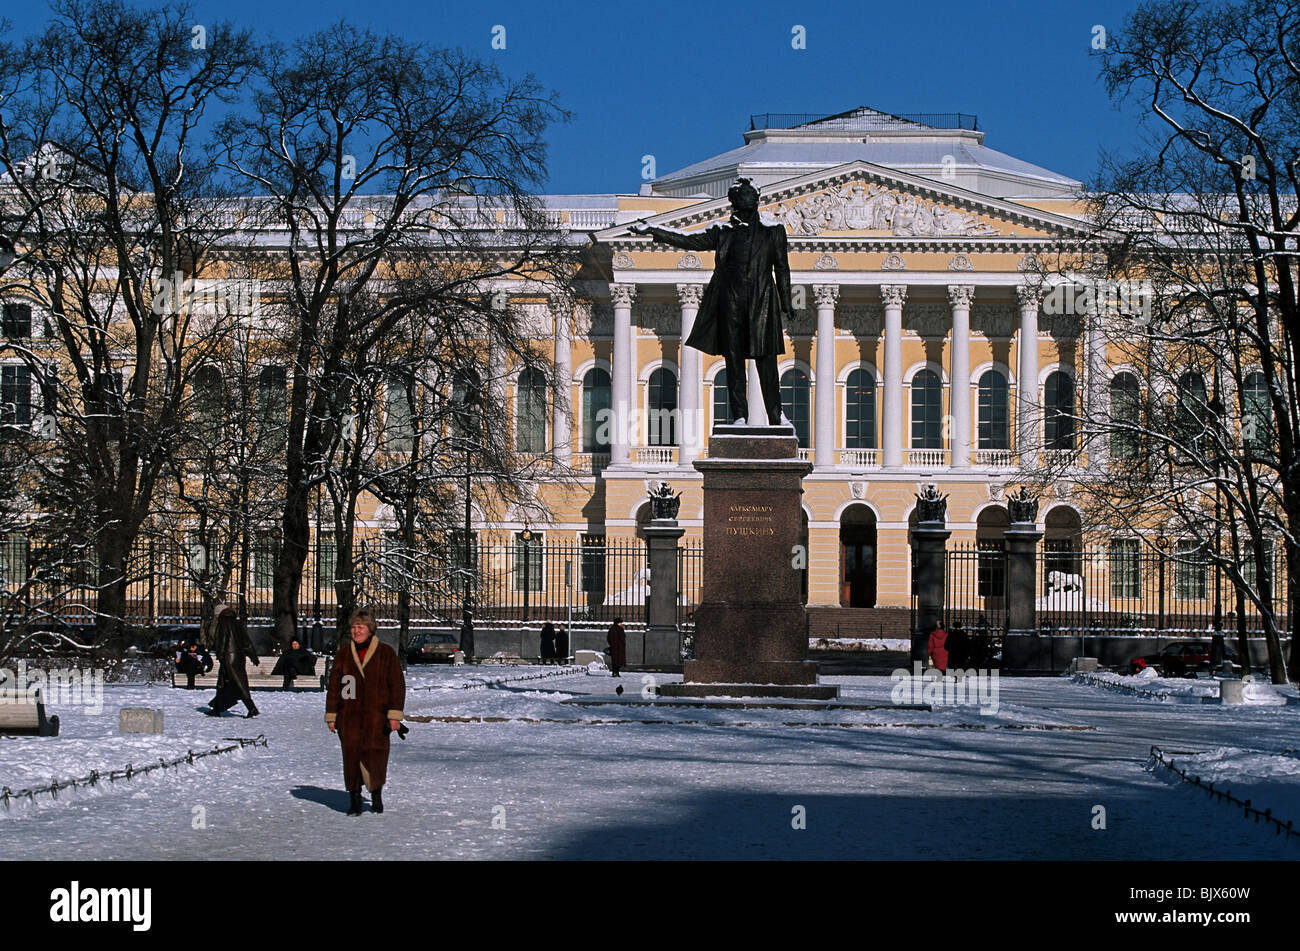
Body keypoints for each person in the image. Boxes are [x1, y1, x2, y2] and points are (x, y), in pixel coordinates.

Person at [629, 177, 792, 426]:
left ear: (758, 199)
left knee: (767, 361)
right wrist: (655, 230)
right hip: (732, 303)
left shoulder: (773, 231)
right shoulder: (722, 232)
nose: (749, 198)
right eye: (744, 195)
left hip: (762, 303)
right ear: (734, 201)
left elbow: (782, 267)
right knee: (734, 361)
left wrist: (786, 301)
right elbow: (689, 240)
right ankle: (739, 416)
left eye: (752, 194)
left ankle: (776, 415)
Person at [325, 610, 406, 817]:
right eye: (353, 627)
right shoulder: (344, 654)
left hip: (377, 717)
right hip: (349, 717)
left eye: (360, 627)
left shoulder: (385, 653)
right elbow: (335, 686)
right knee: (350, 757)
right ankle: (354, 799)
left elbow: (396, 685)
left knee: (376, 756)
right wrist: (332, 715)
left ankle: (376, 795)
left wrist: (394, 716)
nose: (356, 631)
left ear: (370, 630)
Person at [206, 604, 260, 718]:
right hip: (239, 657)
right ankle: (216, 709)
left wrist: (220, 654)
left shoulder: (223, 623)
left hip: (228, 657)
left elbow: (223, 639)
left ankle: (252, 708)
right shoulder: (237, 622)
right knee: (225, 682)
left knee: (236, 683)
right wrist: (253, 656)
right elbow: (246, 642)